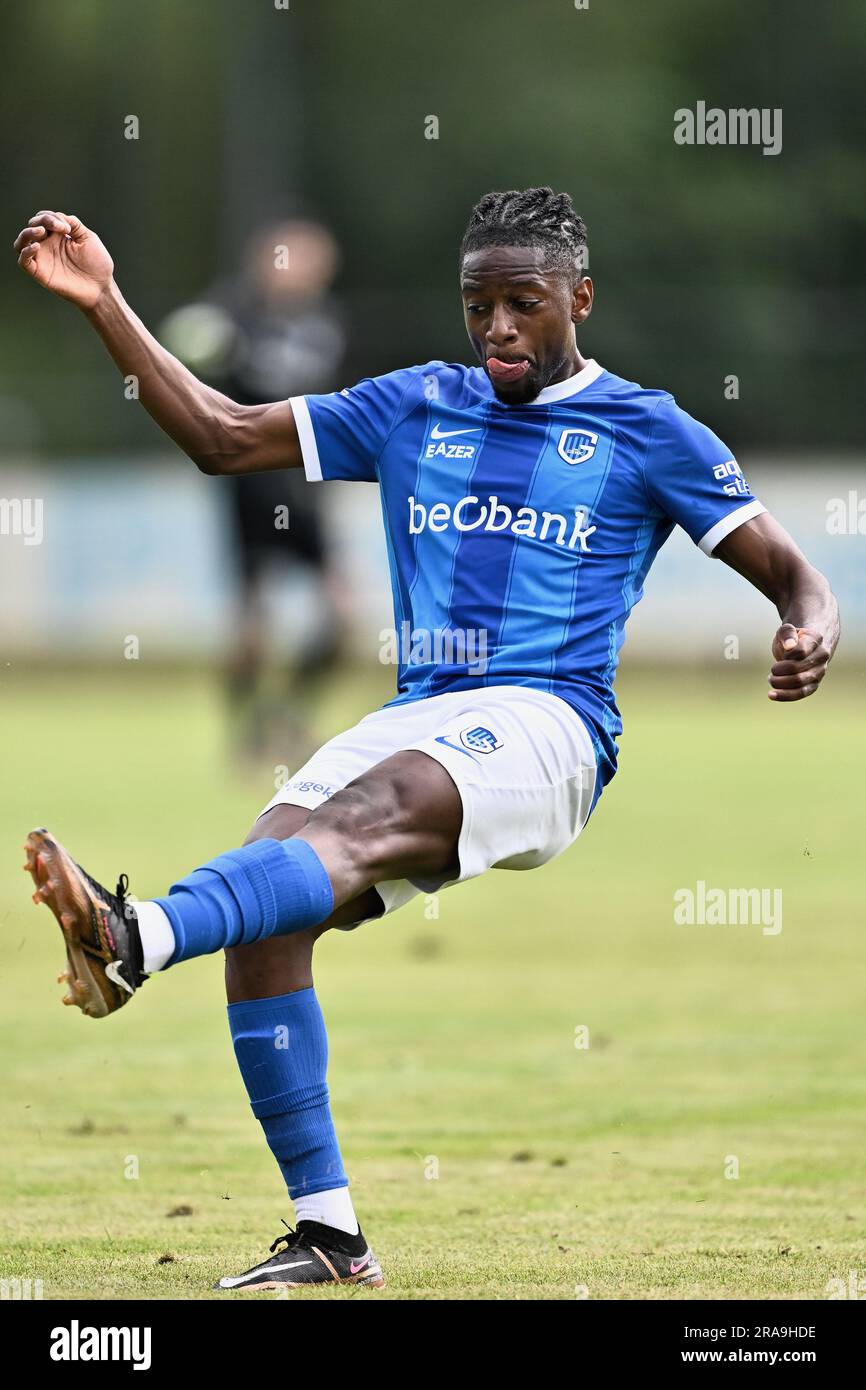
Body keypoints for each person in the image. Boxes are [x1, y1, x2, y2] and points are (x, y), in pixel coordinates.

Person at [13, 188, 839, 1292]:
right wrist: (106, 300)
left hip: (548, 721)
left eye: (521, 304)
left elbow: (789, 571)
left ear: (576, 301)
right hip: (417, 712)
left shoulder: (647, 429)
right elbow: (219, 436)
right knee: (271, 895)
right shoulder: (413, 406)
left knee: (347, 827)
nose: (495, 327)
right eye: (477, 305)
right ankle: (327, 1234)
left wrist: (809, 622)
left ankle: (138, 937)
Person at [158, 218, 348, 761]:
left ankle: (287, 716)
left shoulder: (326, 323)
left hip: (307, 485)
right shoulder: (231, 313)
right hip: (249, 485)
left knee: (340, 614)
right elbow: (187, 354)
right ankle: (245, 733)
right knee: (251, 625)